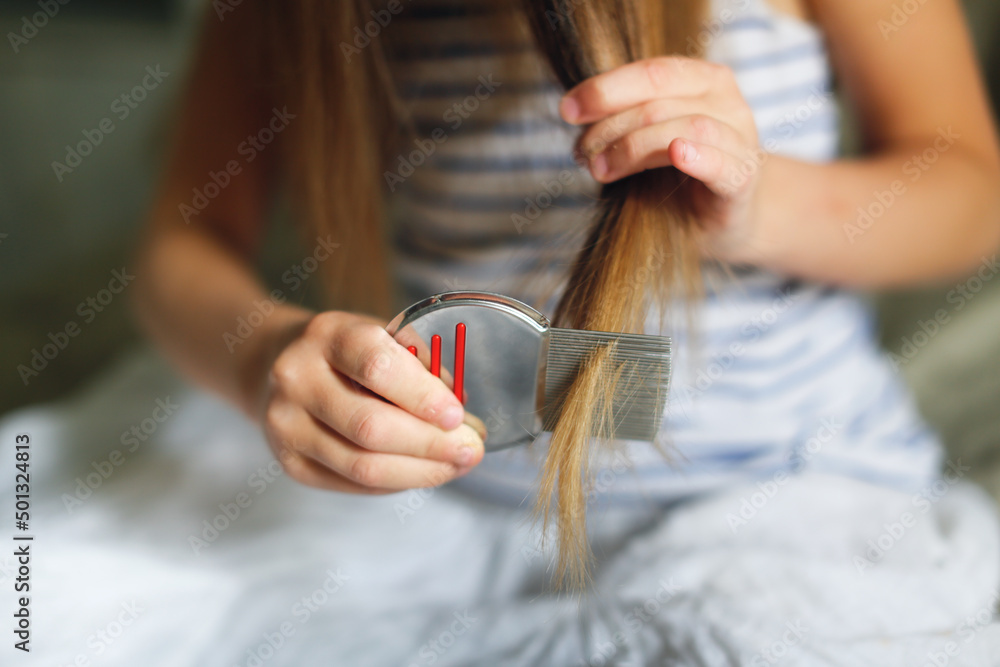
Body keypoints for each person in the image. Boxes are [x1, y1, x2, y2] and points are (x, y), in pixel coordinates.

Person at [131, 1, 1000, 658]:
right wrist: (263, 355)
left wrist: (760, 205)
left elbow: (970, 187)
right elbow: (183, 243)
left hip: (787, 495)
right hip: (442, 514)